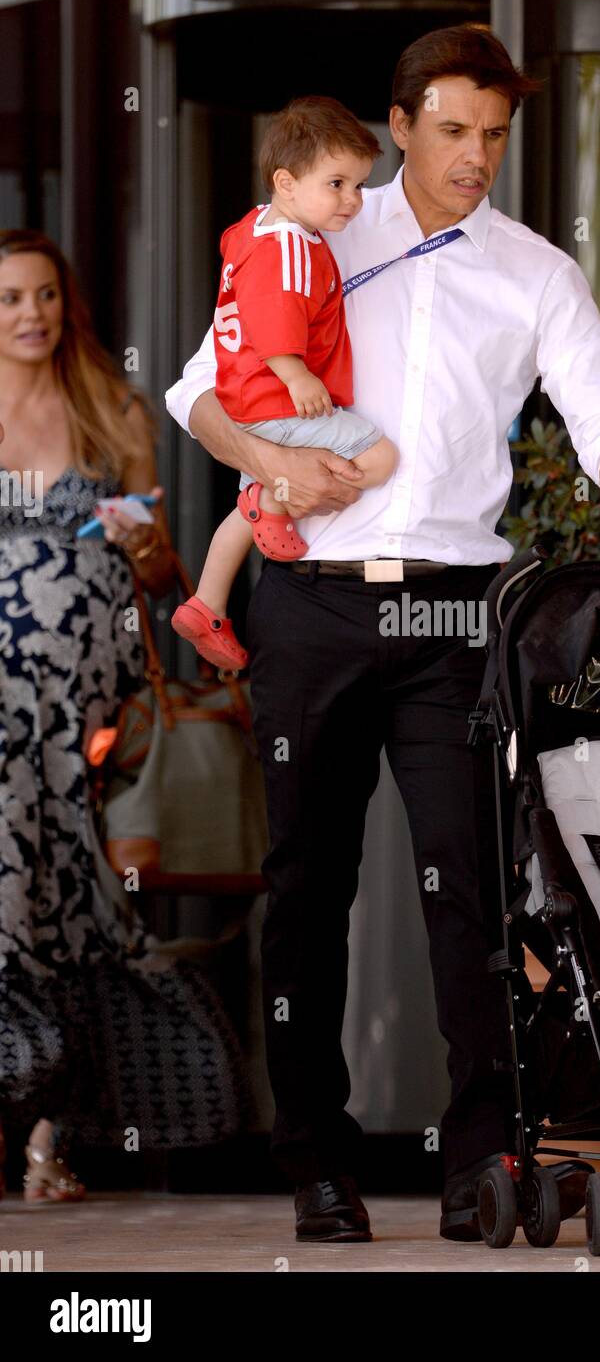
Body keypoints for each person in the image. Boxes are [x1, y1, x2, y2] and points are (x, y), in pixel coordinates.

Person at [166, 23, 600, 1245]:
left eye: (495, 136)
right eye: (453, 131)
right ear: (399, 126)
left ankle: (479, 1163)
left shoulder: (535, 273)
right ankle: (317, 1162)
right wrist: (271, 458)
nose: (476, 156)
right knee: (307, 887)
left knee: (476, 894)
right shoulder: (318, 233)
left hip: (460, 613)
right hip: (311, 605)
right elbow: (200, 385)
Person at [0, 230, 251, 1202]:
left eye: (45, 297)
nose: (31, 314)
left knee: (74, 906)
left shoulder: (111, 405)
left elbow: (159, 574)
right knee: (14, 906)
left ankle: (46, 1145)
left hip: (79, 710)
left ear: (68, 307)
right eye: (13, 299)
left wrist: (144, 538)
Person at [172, 97, 398, 671]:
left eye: (360, 186)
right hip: (276, 402)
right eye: (338, 184)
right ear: (286, 182)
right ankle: (270, 499)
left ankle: (207, 602)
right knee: (380, 458)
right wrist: (296, 376)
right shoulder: (292, 247)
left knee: (241, 514)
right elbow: (275, 321)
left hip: (243, 401)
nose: (353, 200)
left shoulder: (254, 229)